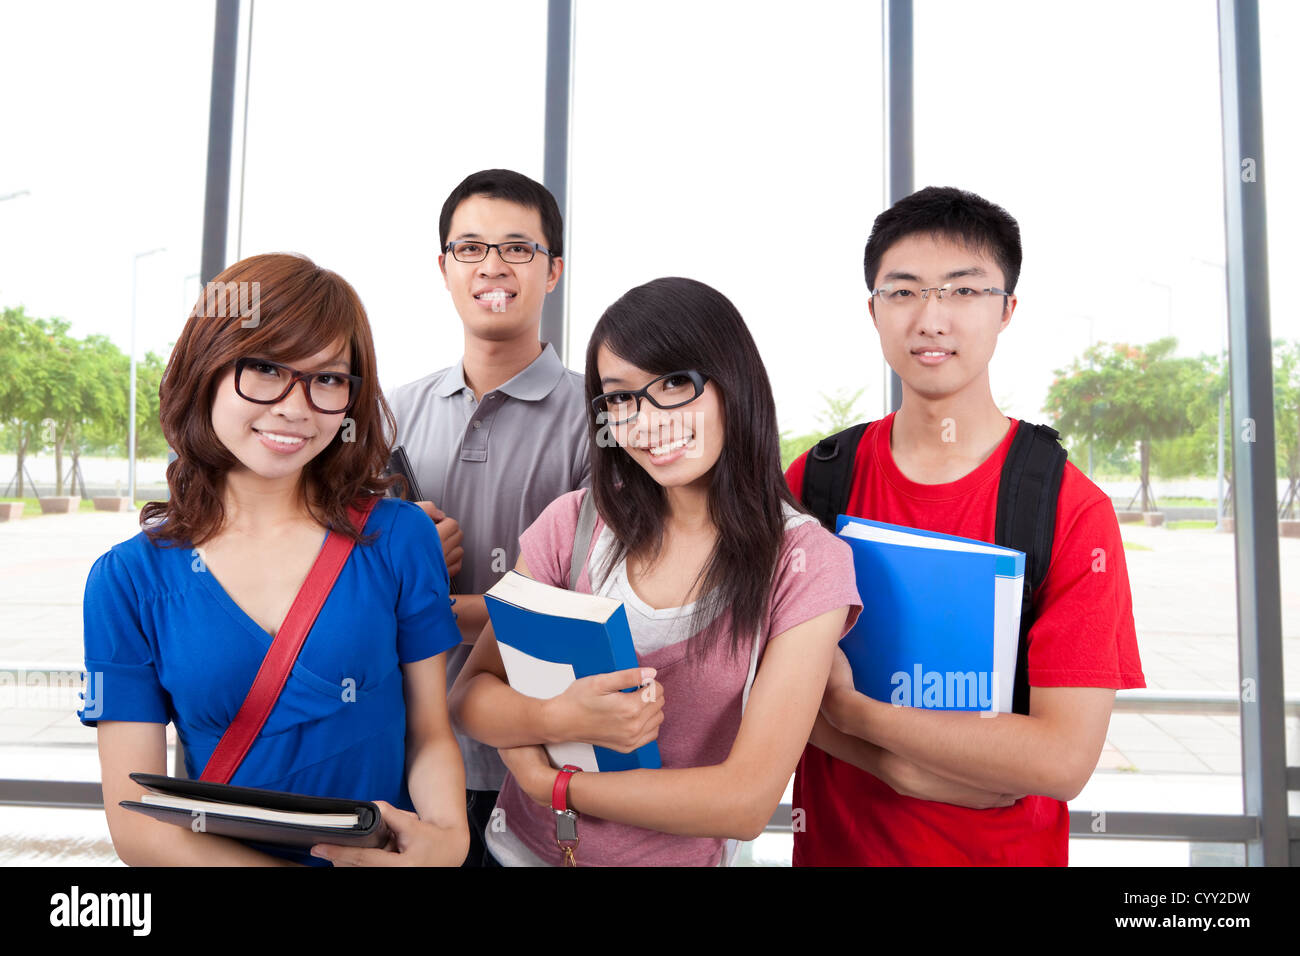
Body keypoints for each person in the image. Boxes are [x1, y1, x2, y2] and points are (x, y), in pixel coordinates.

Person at [786, 186, 1146, 866]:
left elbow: (1063, 759)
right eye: (904, 292)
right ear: (873, 310)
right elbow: (753, 674)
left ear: (1008, 310)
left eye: (963, 292)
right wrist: (898, 766)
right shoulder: (817, 481)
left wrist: (861, 717)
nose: (931, 319)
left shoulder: (1066, 508)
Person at [448, 277, 862, 866]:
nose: (648, 421)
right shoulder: (574, 521)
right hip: (519, 853)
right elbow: (471, 696)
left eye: (673, 383)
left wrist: (554, 787)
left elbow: (744, 801)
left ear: (734, 383)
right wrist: (552, 715)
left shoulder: (804, 562)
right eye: (620, 398)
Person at [80, 252, 469, 866]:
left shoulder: (397, 539)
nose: (295, 406)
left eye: (328, 379)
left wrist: (447, 840)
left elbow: (427, 735)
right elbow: (139, 826)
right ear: (205, 370)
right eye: (264, 368)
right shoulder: (127, 581)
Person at [387, 169, 590, 866]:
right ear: (444, 268)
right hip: (410, 755)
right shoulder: (388, 414)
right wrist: (398, 562)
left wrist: (425, 600)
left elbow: (589, 603)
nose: (492, 266)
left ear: (553, 270)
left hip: (548, 761)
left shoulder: (602, 418)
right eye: (469, 248)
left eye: (518, 248)